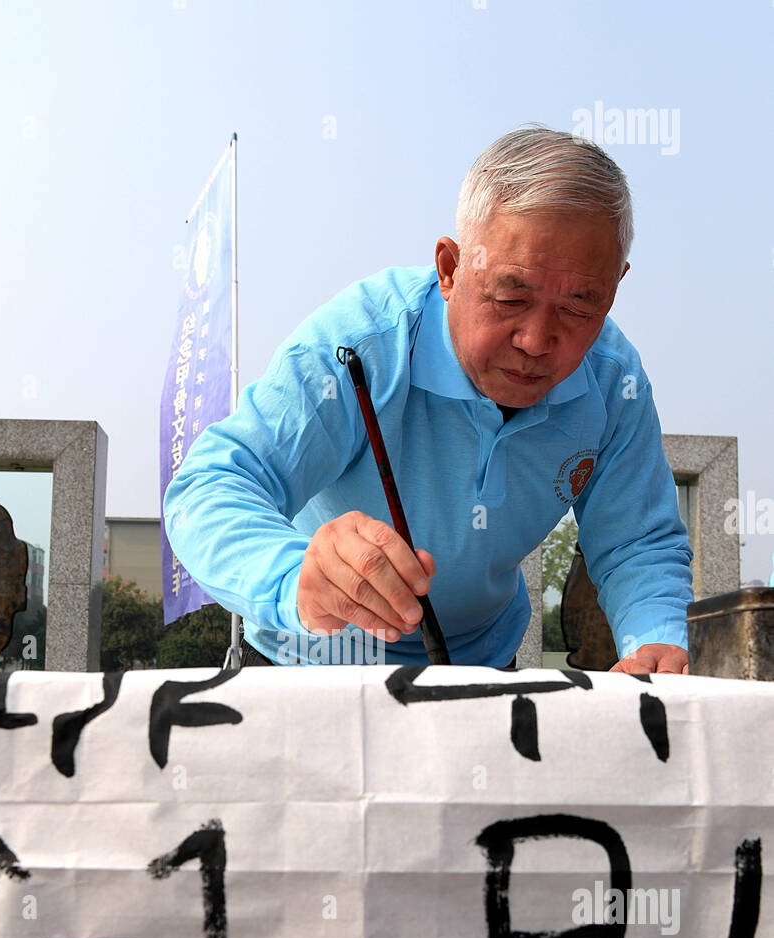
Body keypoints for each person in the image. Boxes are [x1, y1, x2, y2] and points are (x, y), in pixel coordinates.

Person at [163, 125, 693, 672]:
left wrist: (654, 639)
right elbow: (209, 487)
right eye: (511, 296)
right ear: (449, 268)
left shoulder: (613, 381)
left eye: (581, 306)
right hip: (308, 662)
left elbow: (638, 542)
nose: (536, 340)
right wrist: (291, 575)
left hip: (479, 668)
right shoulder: (359, 344)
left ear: (614, 286)